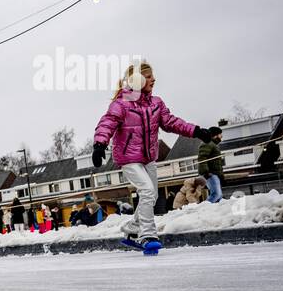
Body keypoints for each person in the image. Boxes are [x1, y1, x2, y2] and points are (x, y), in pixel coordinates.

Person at [92, 60, 218, 254]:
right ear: (136, 79)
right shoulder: (122, 104)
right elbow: (107, 123)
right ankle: (148, 236)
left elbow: (171, 122)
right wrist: (100, 144)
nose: (154, 79)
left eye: (152, 76)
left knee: (149, 197)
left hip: (149, 158)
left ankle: (132, 229)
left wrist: (196, 131)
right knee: (148, 191)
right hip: (128, 158)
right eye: (149, 76)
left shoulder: (156, 103)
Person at [197, 124, 225, 202]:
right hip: (210, 173)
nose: (221, 136)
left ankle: (216, 212)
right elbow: (202, 157)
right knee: (216, 194)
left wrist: (221, 175)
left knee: (219, 197)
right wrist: (206, 172)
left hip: (215, 173)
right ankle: (204, 210)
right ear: (215, 135)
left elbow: (216, 162)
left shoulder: (213, 145)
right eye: (220, 134)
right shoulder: (207, 143)